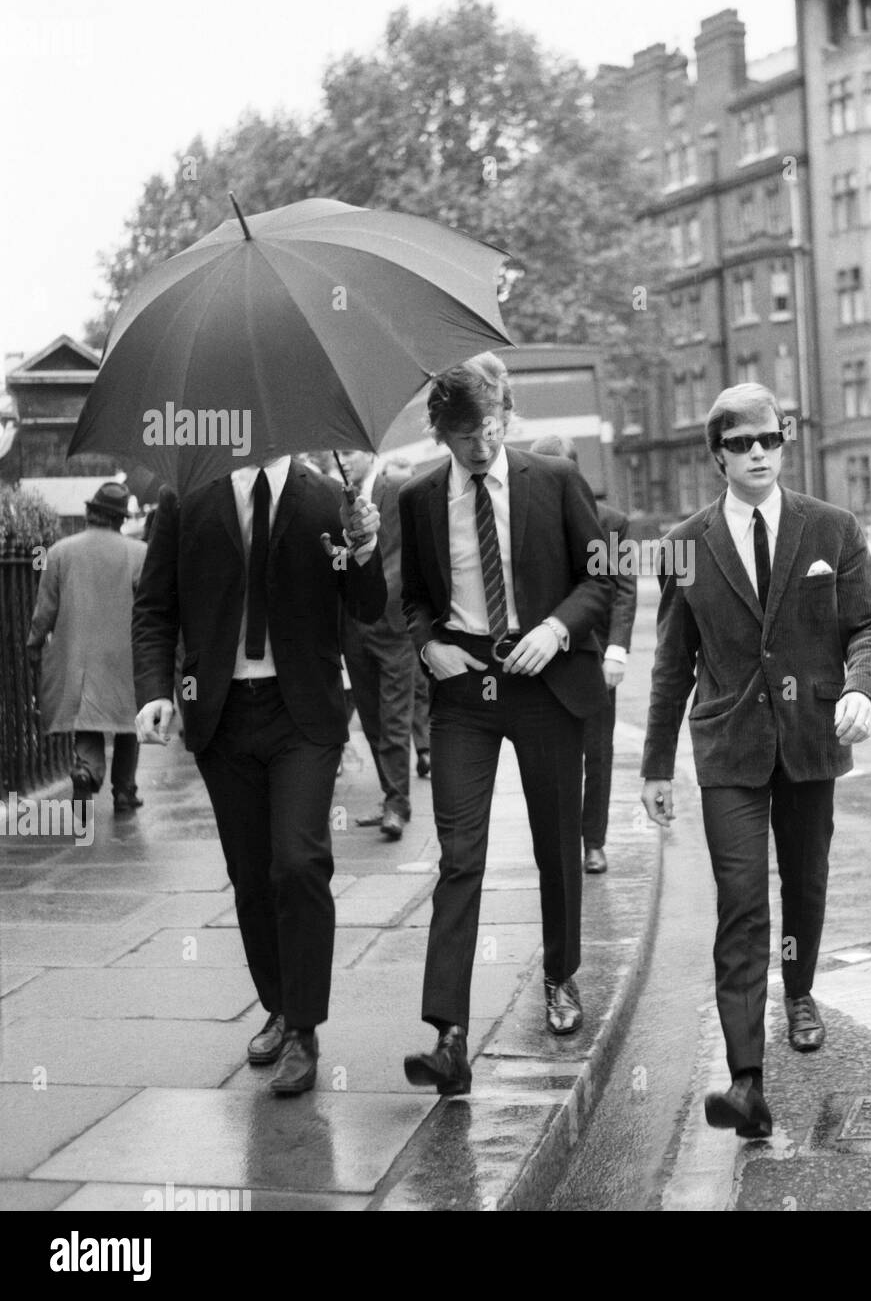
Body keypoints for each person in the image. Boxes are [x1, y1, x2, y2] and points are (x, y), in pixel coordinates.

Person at [640, 383, 871, 1138]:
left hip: (812, 738)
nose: (759, 454)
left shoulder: (833, 529)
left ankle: (802, 992)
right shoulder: (685, 545)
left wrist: (865, 693)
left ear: (785, 443)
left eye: (771, 440)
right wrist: (657, 766)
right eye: (743, 444)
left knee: (807, 884)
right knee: (742, 902)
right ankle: (746, 1078)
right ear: (717, 455)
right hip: (728, 747)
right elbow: (671, 663)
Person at [133, 456, 385, 1096]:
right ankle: (276, 1003)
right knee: (250, 875)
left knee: (298, 863)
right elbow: (155, 605)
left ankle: (303, 1028)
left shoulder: (329, 497)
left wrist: (362, 546)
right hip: (220, 714)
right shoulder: (185, 497)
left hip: (301, 712)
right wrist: (153, 691)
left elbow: (366, 606)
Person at [399, 353, 612, 1096]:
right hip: (464, 693)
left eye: (489, 428)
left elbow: (605, 572)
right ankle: (448, 1036)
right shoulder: (419, 498)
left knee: (557, 842)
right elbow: (414, 598)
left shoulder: (551, 481)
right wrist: (428, 645)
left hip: (546, 683)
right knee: (460, 855)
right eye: (464, 435)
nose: (480, 446)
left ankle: (560, 978)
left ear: (506, 416)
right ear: (441, 435)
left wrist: (556, 630)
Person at [528, 434, 636, 875]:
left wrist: (617, 651)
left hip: (593, 659)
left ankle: (593, 842)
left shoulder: (610, 523)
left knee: (598, 753)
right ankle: (556, 840)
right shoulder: (522, 524)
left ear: (574, 474)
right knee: (547, 757)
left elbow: (624, 591)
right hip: (541, 661)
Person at [26, 481, 148, 814]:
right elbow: (152, 608)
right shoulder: (140, 553)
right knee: (128, 720)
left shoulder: (59, 552)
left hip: (78, 654)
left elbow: (45, 610)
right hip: (127, 653)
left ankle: (87, 770)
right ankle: (124, 789)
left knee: (87, 715)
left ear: (90, 513)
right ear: (120, 519)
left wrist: (35, 644)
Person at [335, 448, 416, 840]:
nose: (346, 460)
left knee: (395, 715)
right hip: (353, 623)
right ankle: (390, 795)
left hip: (396, 621)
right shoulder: (337, 498)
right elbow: (339, 558)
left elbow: (416, 544)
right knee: (370, 717)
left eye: (351, 452)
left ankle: (398, 803)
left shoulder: (398, 488)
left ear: (370, 453)